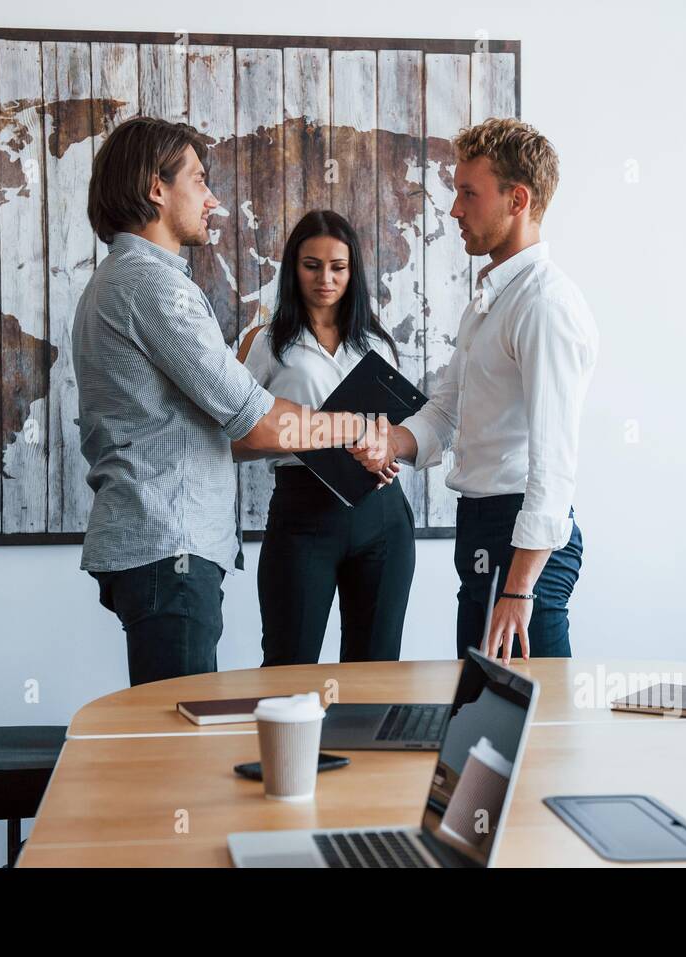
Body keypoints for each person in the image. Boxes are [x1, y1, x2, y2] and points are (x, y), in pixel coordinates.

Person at [73, 116, 392, 686]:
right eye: (198, 180)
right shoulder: (150, 284)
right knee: (182, 756)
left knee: (178, 744)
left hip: (164, 549)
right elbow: (256, 419)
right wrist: (357, 429)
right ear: (156, 189)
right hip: (169, 547)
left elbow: (236, 425)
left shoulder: (126, 279)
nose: (212, 199)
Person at [352, 117, 599, 666]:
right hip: (484, 532)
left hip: (522, 544)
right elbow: (445, 411)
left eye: (468, 193)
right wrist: (390, 441)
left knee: (540, 729)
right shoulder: (488, 301)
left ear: (517, 199)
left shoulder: (544, 306)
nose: (455, 209)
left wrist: (519, 590)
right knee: (479, 724)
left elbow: (554, 467)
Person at [237, 210, 415, 666]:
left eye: (338, 267)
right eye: (311, 265)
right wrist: (313, 432)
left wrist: (384, 447)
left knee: (376, 670)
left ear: (353, 271)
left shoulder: (377, 344)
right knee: (287, 665)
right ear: (293, 268)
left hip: (382, 513)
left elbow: (396, 431)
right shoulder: (266, 342)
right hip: (303, 514)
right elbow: (234, 439)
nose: (325, 279)